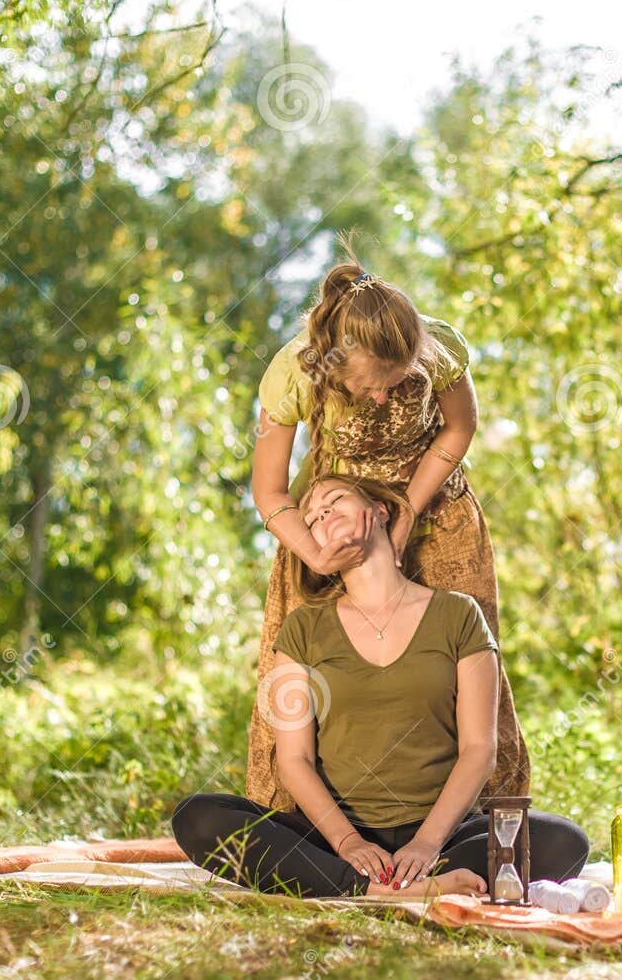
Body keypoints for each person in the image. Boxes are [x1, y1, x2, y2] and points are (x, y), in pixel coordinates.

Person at [172, 475, 588, 898]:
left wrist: (426, 843)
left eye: (335, 500)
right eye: (313, 518)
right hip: (334, 842)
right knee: (198, 818)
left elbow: (479, 750)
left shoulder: (458, 615)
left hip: (441, 837)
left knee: (564, 841)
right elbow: (294, 758)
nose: (324, 515)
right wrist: (348, 843)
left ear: (379, 511)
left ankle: (392, 880)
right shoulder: (303, 630)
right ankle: (387, 890)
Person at [244, 244, 530, 825]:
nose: (382, 397)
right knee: (309, 670)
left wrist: (407, 514)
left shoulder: (436, 345)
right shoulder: (296, 373)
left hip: (435, 509)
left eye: (396, 383)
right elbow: (269, 492)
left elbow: (460, 426)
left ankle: (481, 831)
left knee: (467, 663)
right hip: (334, 524)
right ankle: (313, 827)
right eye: (370, 388)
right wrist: (319, 555)